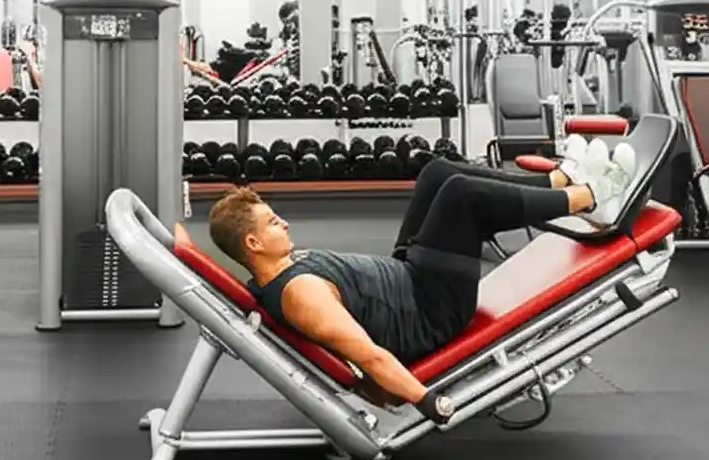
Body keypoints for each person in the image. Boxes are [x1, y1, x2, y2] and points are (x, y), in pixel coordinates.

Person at [206, 136, 636, 426]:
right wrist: (428, 401)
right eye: (270, 222)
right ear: (252, 242)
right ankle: (593, 196)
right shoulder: (301, 293)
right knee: (460, 195)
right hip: (431, 309)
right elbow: (369, 359)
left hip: (409, 280)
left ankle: (558, 181)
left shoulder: (282, 269)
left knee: (435, 173)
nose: (282, 221)